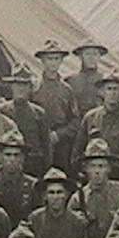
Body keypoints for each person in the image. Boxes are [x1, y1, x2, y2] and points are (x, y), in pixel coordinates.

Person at [71, 71, 119, 182]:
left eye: (116, 89)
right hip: (94, 176)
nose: (112, 93)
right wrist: (81, 173)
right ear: (102, 92)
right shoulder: (90, 118)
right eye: (109, 89)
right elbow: (77, 151)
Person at [31, 39, 81, 173]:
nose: (53, 62)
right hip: (39, 143)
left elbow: (76, 121)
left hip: (61, 145)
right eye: (49, 59)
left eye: (56, 58)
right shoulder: (34, 88)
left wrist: (58, 135)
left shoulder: (67, 90)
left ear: (61, 61)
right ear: (42, 61)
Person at [69, 139, 119, 238]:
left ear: (109, 168)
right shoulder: (78, 198)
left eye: (101, 166)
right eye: (92, 166)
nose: (97, 171)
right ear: (85, 169)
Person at [1, 64, 52, 178]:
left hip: (33, 165)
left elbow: (46, 146)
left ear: (30, 88)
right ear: (11, 86)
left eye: (24, 85)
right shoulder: (2, 111)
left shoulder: (39, 113)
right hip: (10, 163)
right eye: (17, 84)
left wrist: (46, 169)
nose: (21, 89)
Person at [0, 130, 40, 228]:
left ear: (23, 158)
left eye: (16, 155)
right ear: (0, 157)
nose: (12, 159)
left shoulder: (32, 185)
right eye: (8, 155)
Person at [66, 38, 107, 120]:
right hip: (76, 126)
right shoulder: (70, 81)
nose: (91, 57)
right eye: (87, 54)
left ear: (99, 57)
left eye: (95, 54)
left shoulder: (106, 80)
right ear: (81, 57)